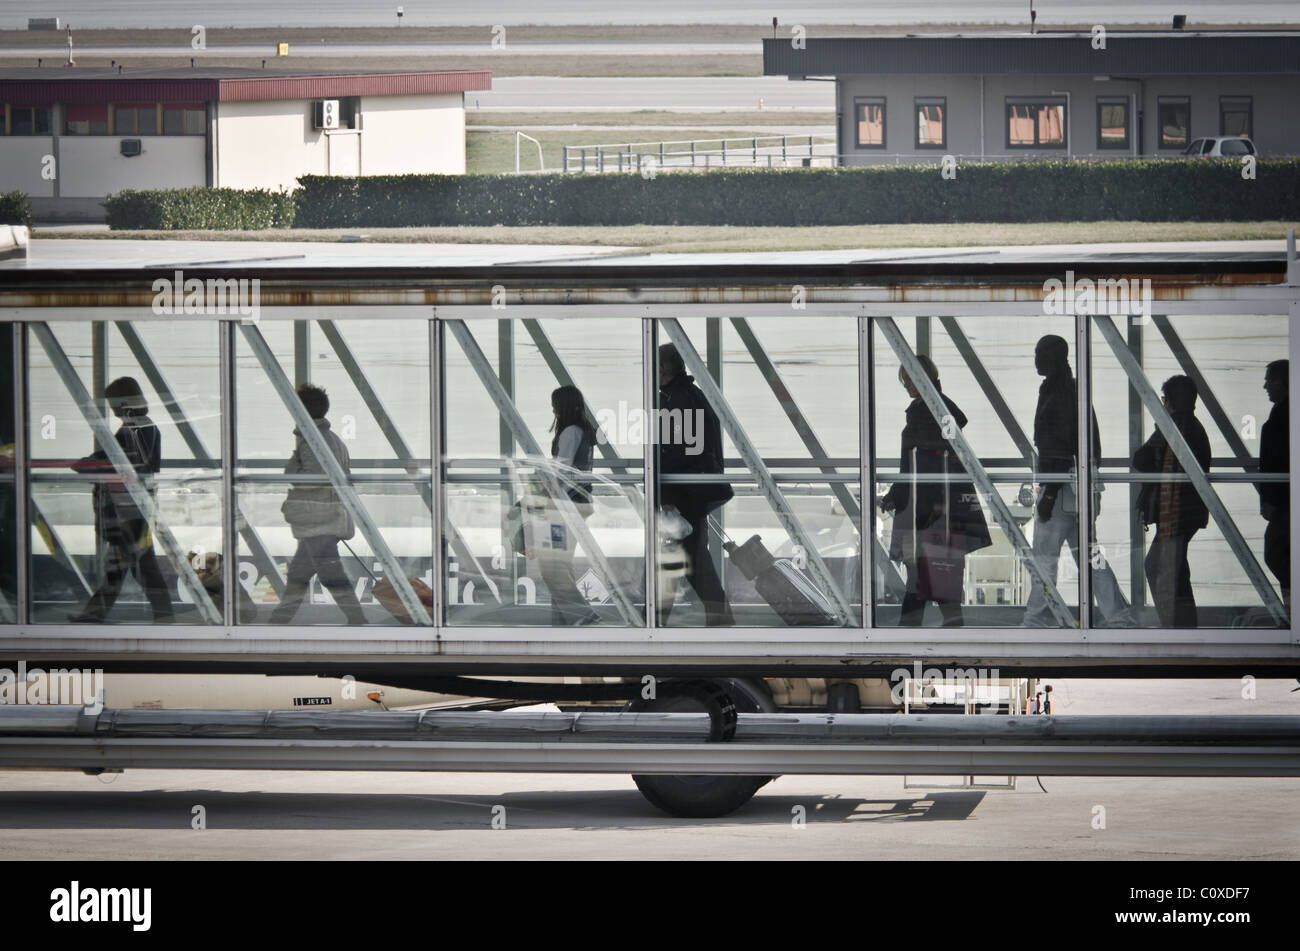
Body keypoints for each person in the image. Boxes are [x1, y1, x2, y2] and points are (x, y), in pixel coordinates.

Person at [1022, 334, 1136, 627]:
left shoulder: (1057, 394)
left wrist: (1047, 496)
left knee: (1045, 556)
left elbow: (1058, 447)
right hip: (1077, 489)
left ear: (1055, 358)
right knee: (1089, 555)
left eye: (1040, 353)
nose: (1035, 359)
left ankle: (1037, 616)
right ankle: (1118, 616)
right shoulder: (1073, 391)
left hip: (1060, 490)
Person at [879, 355, 991, 626]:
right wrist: (897, 494)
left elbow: (927, 464)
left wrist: (928, 504)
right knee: (937, 575)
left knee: (923, 576)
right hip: (929, 510)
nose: (906, 385)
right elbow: (919, 465)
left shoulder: (930, 411)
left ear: (922, 377)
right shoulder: (934, 409)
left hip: (926, 513)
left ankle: (912, 634)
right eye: (903, 381)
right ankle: (946, 629)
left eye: (909, 380)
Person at [69, 376, 173, 622]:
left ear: (125, 402)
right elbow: (119, 457)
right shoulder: (139, 427)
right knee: (134, 566)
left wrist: (91, 463)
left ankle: (97, 614)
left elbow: (123, 461)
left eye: (114, 403)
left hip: (129, 510)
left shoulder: (136, 428)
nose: (113, 409)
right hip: (133, 509)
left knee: (128, 567)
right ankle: (162, 616)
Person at [269, 383, 366, 626]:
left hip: (319, 518)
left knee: (329, 574)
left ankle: (357, 619)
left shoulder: (314, 442)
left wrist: (294, 458)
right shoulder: (332, 440)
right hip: (326, 517)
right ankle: (278, 621)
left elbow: (300, 478)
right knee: (299, 574)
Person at [657, 343, 734, 626]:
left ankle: (655, 623)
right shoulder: (691, 396)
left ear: (662, 371)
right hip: (694, 492)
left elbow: (675, 453)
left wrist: (664, 494)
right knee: (685, 560)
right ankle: (656, 620)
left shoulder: (677, 401)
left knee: (691, 563)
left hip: (684, 495)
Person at [1133, 375, 1212, 629]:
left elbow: (1141, 459)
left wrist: (1161, 428)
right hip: (1183, 512)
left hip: (1178, 513)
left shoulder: (1175, 429)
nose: (1163, 404)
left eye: (1165, 399)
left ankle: (1176, 627)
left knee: (1159, 567)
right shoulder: (1189, 428)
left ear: (1172, 402)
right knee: (1175, 570)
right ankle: (1184, 626)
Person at [535, 385, 599, 625]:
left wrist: (544, 478)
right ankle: (565, 619)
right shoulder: (582, 431)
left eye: (555, 404)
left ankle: (582, 614)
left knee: (550, 567)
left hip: (566, 506)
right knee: (560, 565)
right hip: (578, 503)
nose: (553, 409)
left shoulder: (570, 432)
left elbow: (562, 471)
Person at [1258, 359, 1289, 612]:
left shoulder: (1283, 418)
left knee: (1277, 552)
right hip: (1285, 502)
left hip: (1285, 503)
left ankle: (1293, 609)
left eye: (1270, 380)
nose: (1265, 385)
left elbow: (1278, 461)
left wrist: (1272, 500)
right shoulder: (1283, 414)